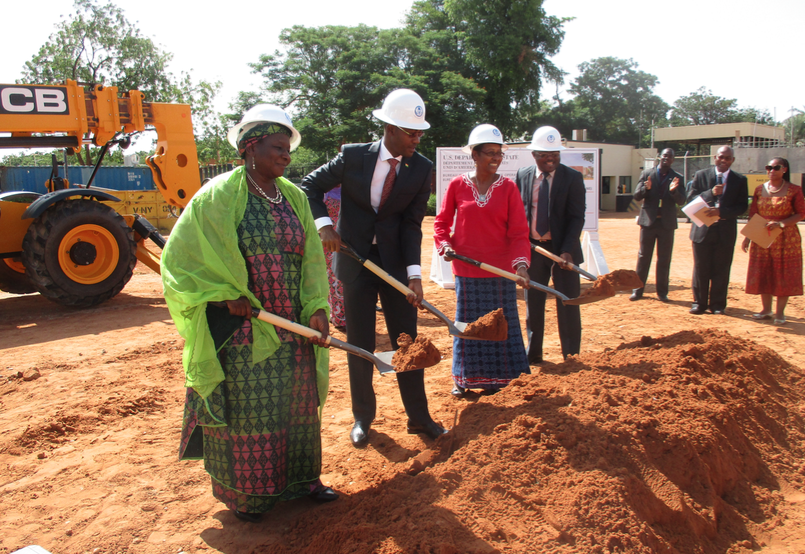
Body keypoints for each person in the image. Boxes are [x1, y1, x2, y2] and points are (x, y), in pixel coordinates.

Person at [161, 105, 338, 523]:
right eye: (278, 148)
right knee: (250, 417)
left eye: (288, 150)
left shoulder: (293, 197)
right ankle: (249, 495)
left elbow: (313, 262)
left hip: (292, 328)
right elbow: (181, 258)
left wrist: (315, 308)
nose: (286, 156)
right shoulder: (218, 195)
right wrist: (224, 296)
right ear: (250, 147)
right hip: (245, 331)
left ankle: (302, 482)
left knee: (297, 410)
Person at [300, 88, 446, 447]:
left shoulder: (421, 168)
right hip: (354, 260)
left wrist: (413, 276)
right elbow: (310, 187)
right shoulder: (353, 158)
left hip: (395, 266)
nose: (417, 139)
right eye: (411, 133)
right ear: (390, 129)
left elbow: (412, 225)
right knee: (360, 342)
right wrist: (325, 227)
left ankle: (418, 417)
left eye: (420, 133)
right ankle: (363, 416)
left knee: (406, 343)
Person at [433, 124, 532, 397]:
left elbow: (519, 233)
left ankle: (497, 380)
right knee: (467, 327)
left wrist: (521, 266)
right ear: (474, 155)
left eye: (499, 153)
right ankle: (463, 379)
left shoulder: (508, 188)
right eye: (489, 153)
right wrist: (445, 245)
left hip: (499, 273)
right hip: (466, 270)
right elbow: (441, 224)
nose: (496, 158)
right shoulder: (457, 185)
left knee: (500, 327)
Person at [515, 126, 586, 363]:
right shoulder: (522, 175)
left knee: (568, 302)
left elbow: (577, 217)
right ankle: (533, 355)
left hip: (564, 252)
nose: (551, 158)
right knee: (533, 304)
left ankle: (571, 355)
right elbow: (518, 214)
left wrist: (566, 250)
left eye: (555, 153)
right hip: (534, 250)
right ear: (534, 154)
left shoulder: (572, 178)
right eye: (545, 154)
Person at [741, 157, 805, 324]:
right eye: (769, 167)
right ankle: (766, 310)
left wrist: (781, 224)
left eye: (776, 167)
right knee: (764, 271)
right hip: (762, 237)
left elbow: (801, 213)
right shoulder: (759, 190)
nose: (771, 170)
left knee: (783, 273)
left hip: (786, 239)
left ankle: (780, 313)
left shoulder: (794, 190)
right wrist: (748, 238)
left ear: (784, 169)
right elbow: (753, 215)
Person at [687, 146, 748, 315]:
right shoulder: (701, 175)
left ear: (732, 160)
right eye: (721, 157)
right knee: (701, 268)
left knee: (721, 268)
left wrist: (721, 212)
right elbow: (690, 199)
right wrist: (710, 194)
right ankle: (699, 303)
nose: (724, 160)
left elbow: (742, 206)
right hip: (702, 230)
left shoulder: (739, 180)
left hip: (725, 230)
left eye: (728, 158)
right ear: (715, 157)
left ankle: (718, 305)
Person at [630, 148, 686, 302]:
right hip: (649, 222)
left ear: (673, 160)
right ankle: (638, 290)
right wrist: (645, 188)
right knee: (643, 257)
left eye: (670, 156)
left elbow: (682, 200)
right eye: (664, 155)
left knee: (664, 259)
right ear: (660, 157)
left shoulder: (677, 177)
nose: (666, 158)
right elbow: (636, 196)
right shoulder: (647, 174)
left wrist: (674, 191)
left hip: (666, 224)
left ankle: (662, 292)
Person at [324, 186, 347, 331]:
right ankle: (339, 317)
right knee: (335, 278)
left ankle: (338, 315)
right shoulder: (323, 193)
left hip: (347, 240)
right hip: (329, 242)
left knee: (344, 278)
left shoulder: (349, 189)